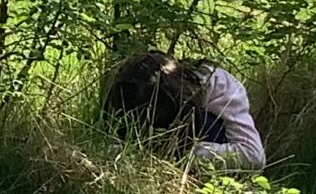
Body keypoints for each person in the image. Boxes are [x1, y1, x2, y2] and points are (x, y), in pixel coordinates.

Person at [100, 50, 266, 171]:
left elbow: (253, 156)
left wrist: (180, 154)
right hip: (155, 155)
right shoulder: (131, 90)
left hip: (201, 159)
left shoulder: (220, 86)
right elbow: (114, 144)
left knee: (210, 123)